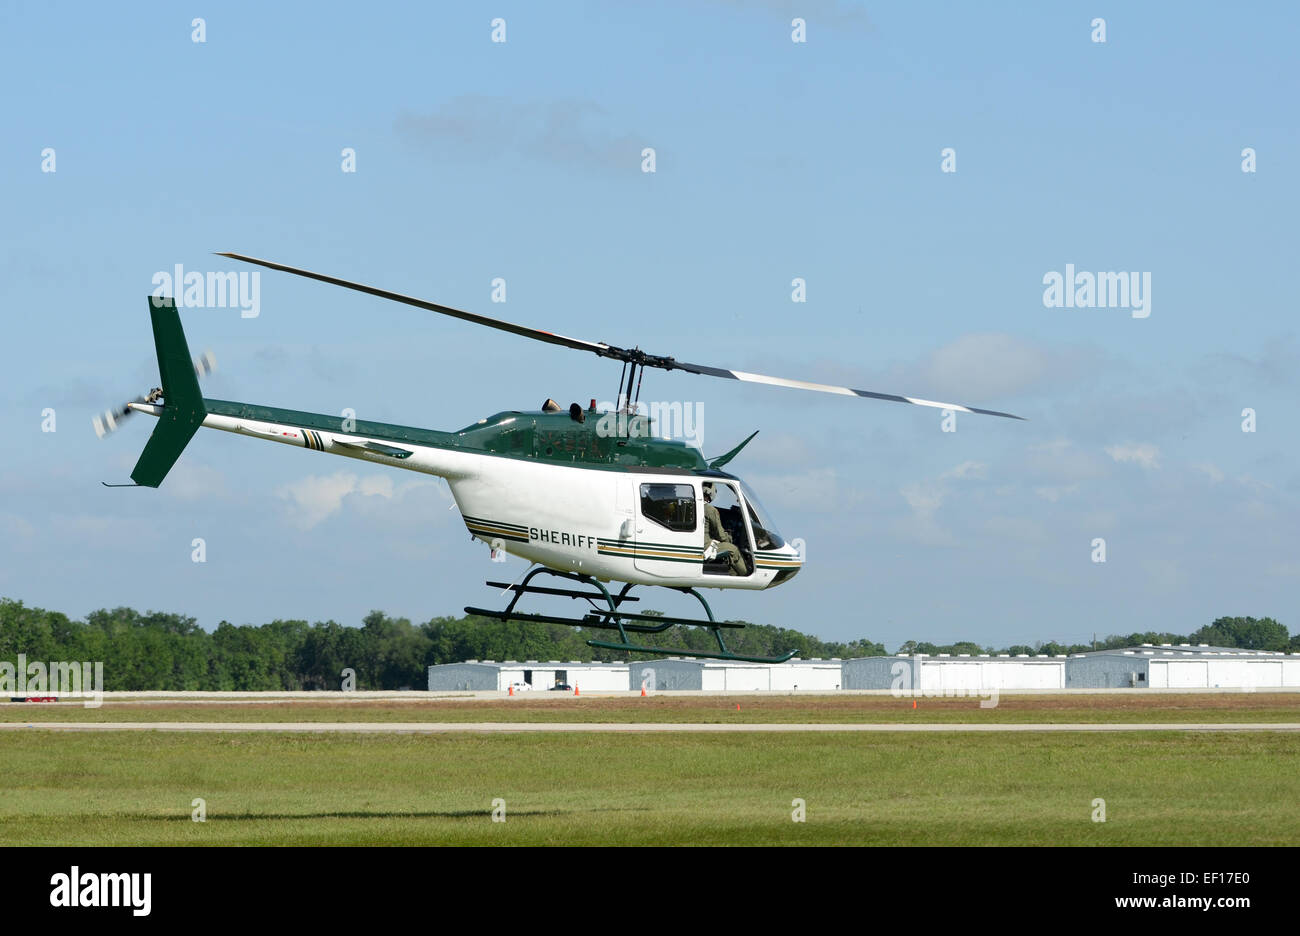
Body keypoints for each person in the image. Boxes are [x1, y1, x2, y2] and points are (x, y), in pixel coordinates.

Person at [703, 482, 746, 575]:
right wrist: (730, 537)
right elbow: (721, 536)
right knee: (732, 549)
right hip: (704, 546)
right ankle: (747, 574)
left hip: (697, 544)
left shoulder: (692, 505)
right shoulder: (710, 510)